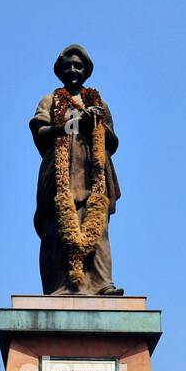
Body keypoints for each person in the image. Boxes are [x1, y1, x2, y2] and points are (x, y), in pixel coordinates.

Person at [30, 44, 123, 296]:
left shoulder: (99, 103)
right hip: (59, 178)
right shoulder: (49, 101)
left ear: (86, 71)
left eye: (77, 65)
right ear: (59, 71)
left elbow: (113, 143)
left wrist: (96, 123)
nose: (72, 69)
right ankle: (60, 287)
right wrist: (72, 123)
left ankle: (102, 284)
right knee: (57, 230)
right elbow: (41, 134)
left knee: (97, 228)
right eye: (67, 65)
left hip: (94, 176)